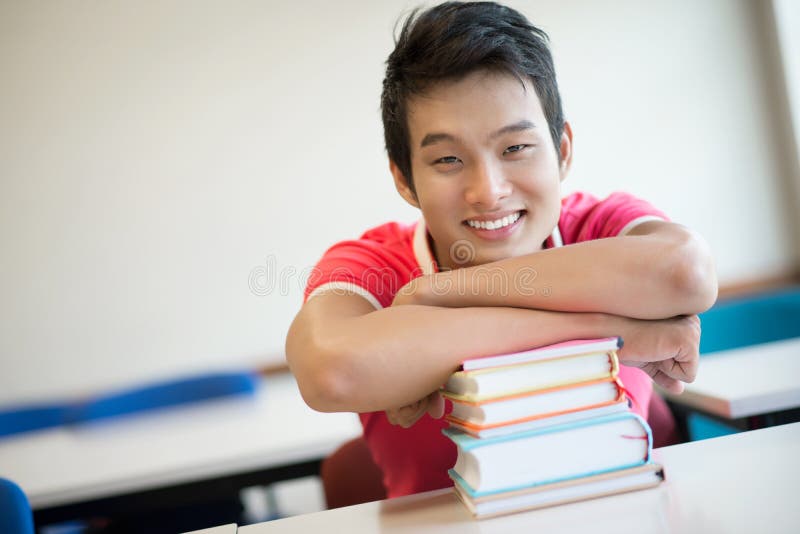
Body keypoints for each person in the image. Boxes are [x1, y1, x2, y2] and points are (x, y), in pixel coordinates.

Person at [286, 1, 717, 499]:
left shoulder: (599, 227)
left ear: (562, 150)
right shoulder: (374, 264)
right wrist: (612, 330)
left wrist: (437, 295)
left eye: (515, 148)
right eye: (448, 159)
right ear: (404, 178)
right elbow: (330, 371)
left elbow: (687, 271)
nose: (488, 191)